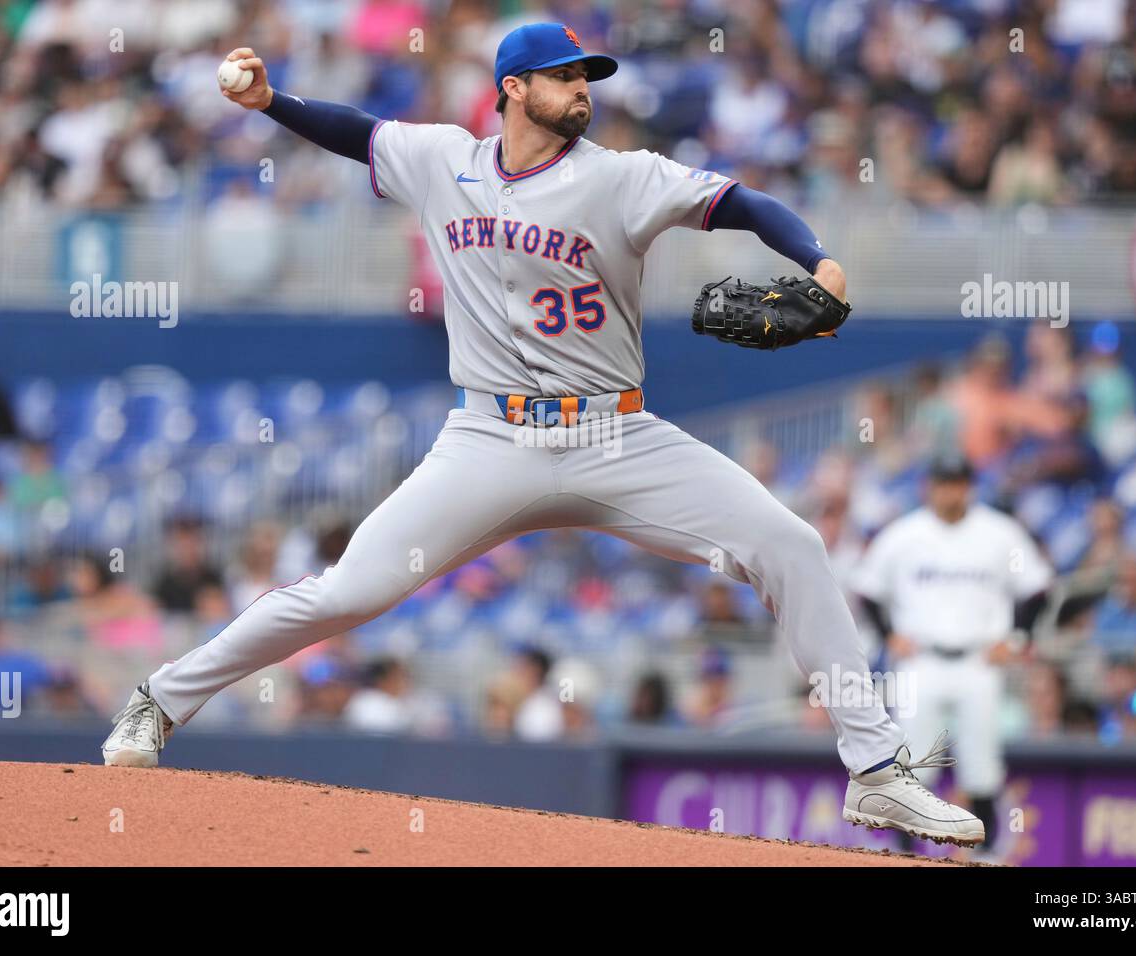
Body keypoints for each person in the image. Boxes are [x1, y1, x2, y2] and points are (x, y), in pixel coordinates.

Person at [102, 23, 985, 847]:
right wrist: (271, 104)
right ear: (514, 89)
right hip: (488, 440)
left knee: (789, 543)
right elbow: (358, 132)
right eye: (565, 77)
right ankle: (159, 700)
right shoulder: (442, 158)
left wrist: (818, 261)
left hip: (617, 435)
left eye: (588, 76)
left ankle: (874, 769)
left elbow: (743, 204)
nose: (582, 89)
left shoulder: (620, 176)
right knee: (346, 594)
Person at [852, 453, 1052, 850]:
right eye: (942, 483)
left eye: (957, 483)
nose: (949, 491)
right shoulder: (905, 534)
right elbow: (867, 587)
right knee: (910, 766)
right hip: (921, 660)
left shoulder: (998, 532)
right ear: (929, 487)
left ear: (969, 486)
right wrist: (889, 634)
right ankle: (902, 855)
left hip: (978, 661)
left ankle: (987, 854)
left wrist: (1015, 639)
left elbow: (1038, 588)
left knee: (982, 766)